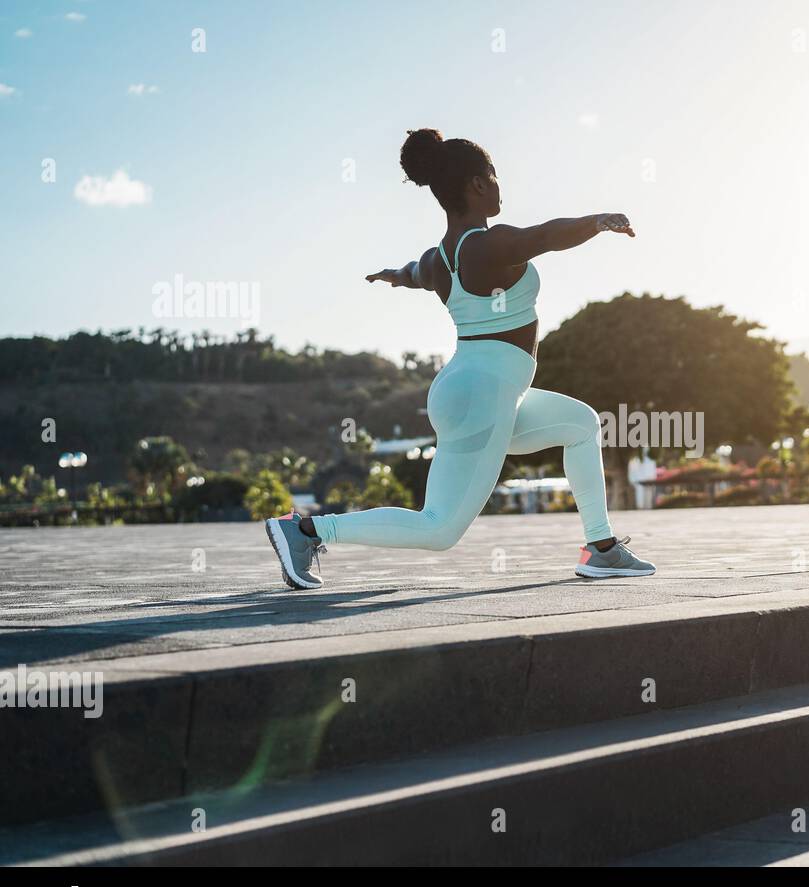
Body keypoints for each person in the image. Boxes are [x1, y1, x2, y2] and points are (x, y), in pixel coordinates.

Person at [265, 129, 655, 590]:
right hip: (483, 395)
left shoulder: (439, 259)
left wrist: (394, 275)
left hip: (480, 389)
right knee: (439, 528)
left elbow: (414, 274)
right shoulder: (488, 245)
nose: (498, 187)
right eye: (494, 177)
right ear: (477, 185)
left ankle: (603, 549)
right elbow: (546, 235)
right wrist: (599, 220)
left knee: (581, 424)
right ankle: (306, 531)